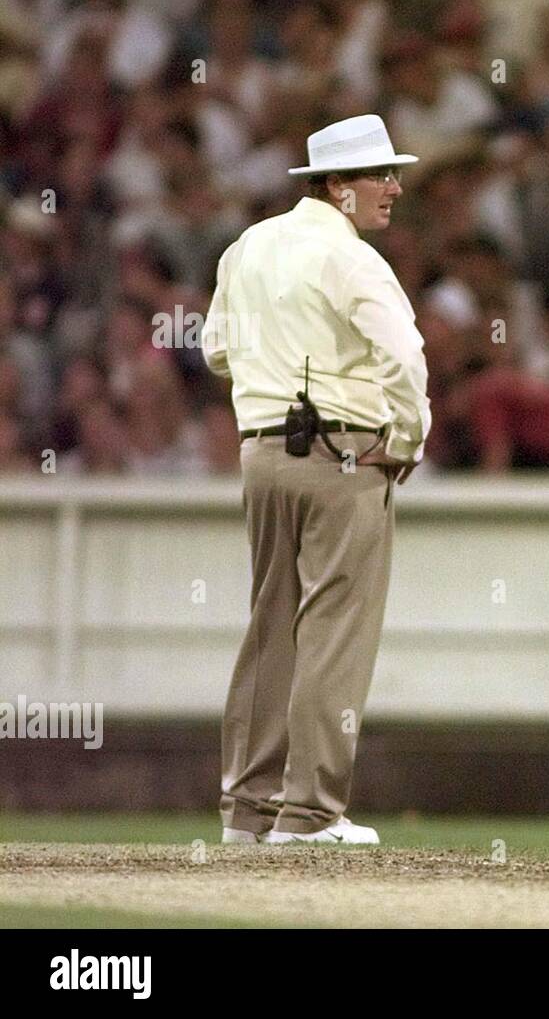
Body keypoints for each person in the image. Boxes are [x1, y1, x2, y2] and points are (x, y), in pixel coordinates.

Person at [202, 114, 431, 845]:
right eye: (379, 175)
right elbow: (405, 357)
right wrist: (405, 439)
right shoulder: (352, 257)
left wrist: (270, 376)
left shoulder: (249, 246)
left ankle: (249, 810)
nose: (393, 187)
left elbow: (213, 350)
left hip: (262, 452)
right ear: (339, 187)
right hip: (344, 454)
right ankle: (308, 814)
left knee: (272, 629)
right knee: (335, 632)